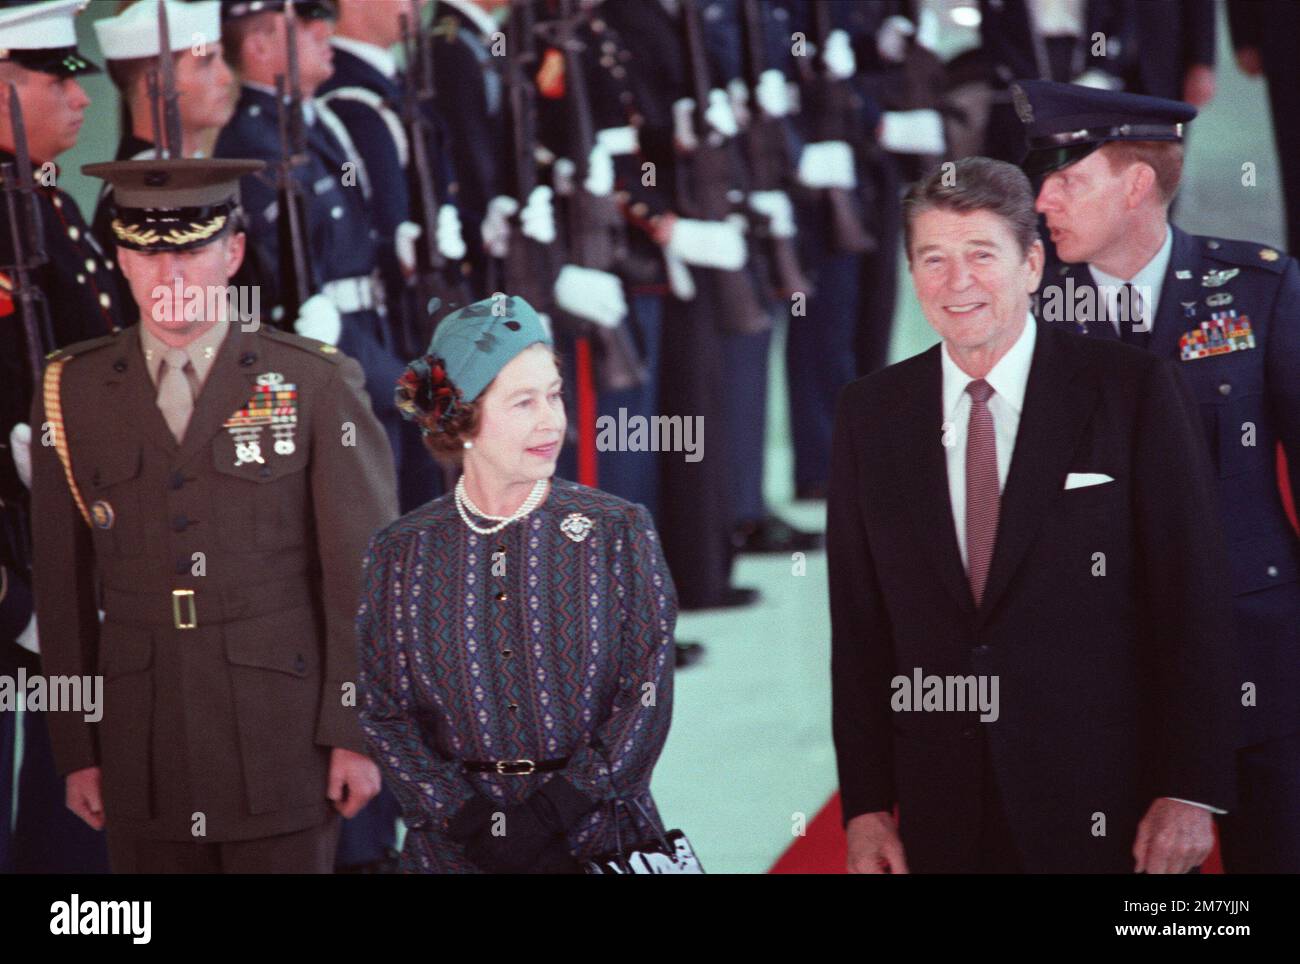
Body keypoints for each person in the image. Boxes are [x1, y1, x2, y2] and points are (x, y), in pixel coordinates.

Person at [828, 156, 1237, 874]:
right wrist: (865, 806)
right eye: (934, 259)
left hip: (1111, 809)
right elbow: (859, 630)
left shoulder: (1131, 392)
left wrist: (1191, 789)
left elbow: (1193, 599)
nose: (958, 283)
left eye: (981, 255)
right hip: (944, 813)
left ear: (1033, 265)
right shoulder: (871, 415)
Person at [31, 156, 398, 873]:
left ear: (232, 253)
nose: (170, 277)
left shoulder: (311, 381)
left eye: (193, 250)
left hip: (282, 740)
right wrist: (76, 747)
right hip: (143, 750)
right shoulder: (72, 391)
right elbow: (62, 588)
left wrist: (355, 731)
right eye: (145, 252)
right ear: (121, 261)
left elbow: (363, 575)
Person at [1016, 79, 1300, 873]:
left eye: (1067, 178)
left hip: (1258, 654)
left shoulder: (1259, 289)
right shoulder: (1028, 311)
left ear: (1137, 184)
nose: (1042, 200)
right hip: (1097, 668)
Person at [357, 293, 677, 873]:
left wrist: (551, 818)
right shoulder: (401, 552)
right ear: (466, 419)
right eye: (524, 402)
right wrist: (472, 824)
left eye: (553, 395)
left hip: (599, 840)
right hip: (455, 852)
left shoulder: (617, 531)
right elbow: (384, 712)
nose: (552, 419)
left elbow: (645, 698)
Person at [0, 0, 120, 875]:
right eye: (56, 80)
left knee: (66, 768)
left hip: (60, 524)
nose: (79, 99)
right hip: (10, 543)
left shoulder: (46, 203)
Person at [91, 0, 237, 323]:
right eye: (206, 62)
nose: (226, 77)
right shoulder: (138, 194)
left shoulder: (201, 174)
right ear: (156, 83)